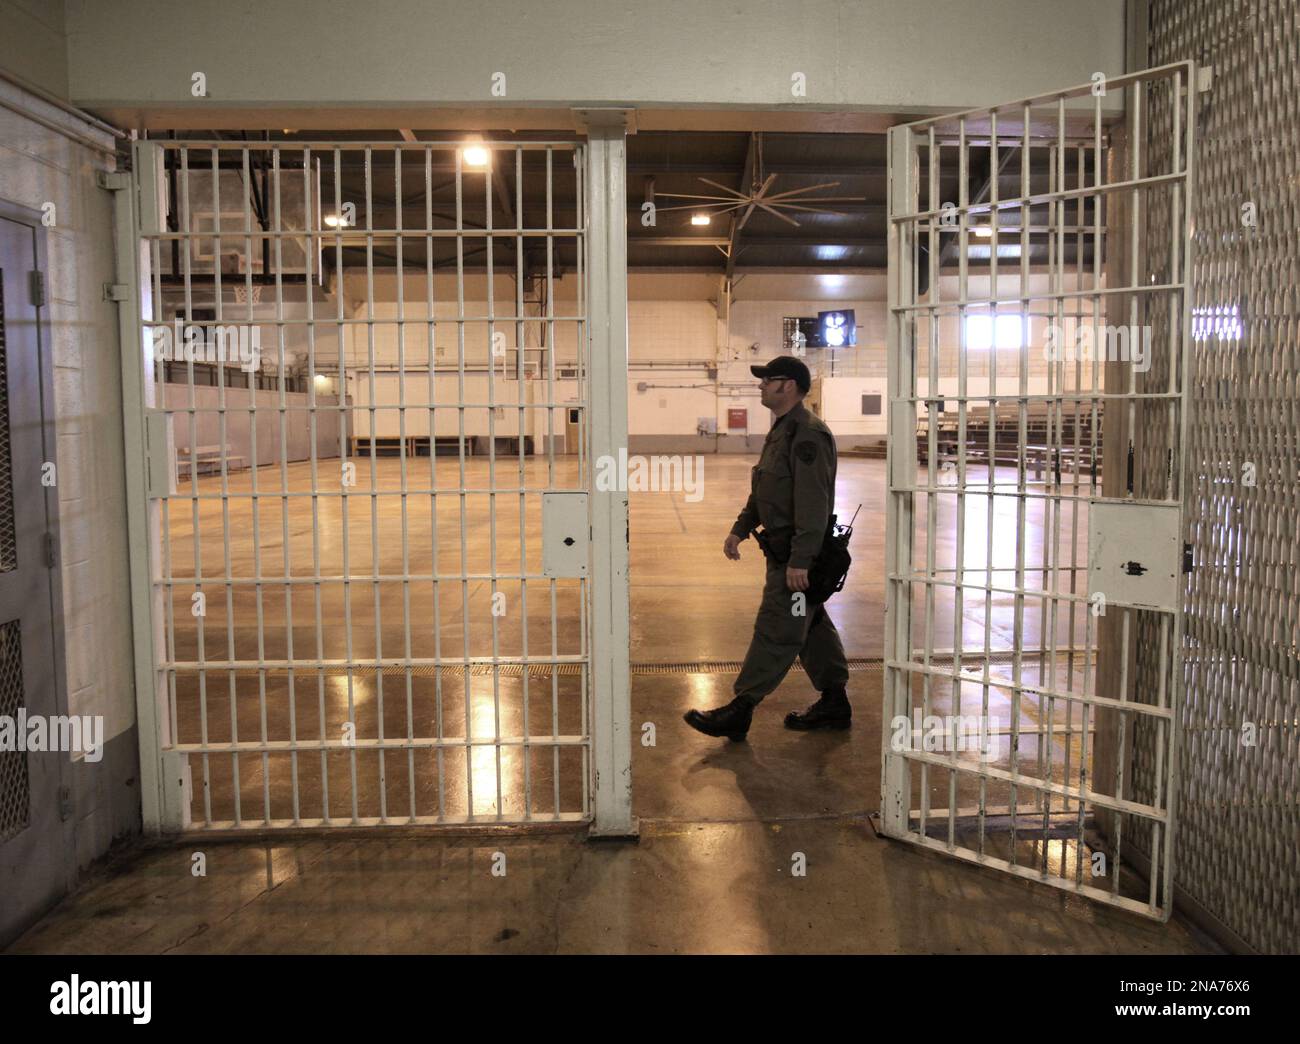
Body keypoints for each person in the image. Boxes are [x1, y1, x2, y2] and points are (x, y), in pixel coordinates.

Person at [684, 355, 851, 742]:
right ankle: (835, 701)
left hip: (796, 558)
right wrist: (740, 529)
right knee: (810, 625)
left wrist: (800, 560)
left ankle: (741, 708)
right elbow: (766, 488)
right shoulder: (783, 432)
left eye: (767, 380)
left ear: (788, 385)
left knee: (778, 626)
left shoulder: (808, 434)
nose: (760, 386)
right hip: (784, 552)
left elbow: (813, 501)